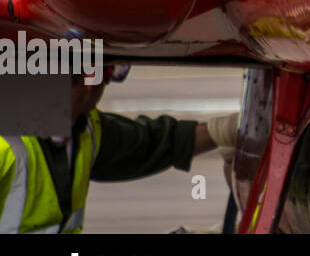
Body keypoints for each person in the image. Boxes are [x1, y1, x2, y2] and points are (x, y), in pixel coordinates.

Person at [0, 64, 238, 234]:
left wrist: (222, 131)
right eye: (110, 72)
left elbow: (149, 143)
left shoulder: (83, 128)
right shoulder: (7, 146)